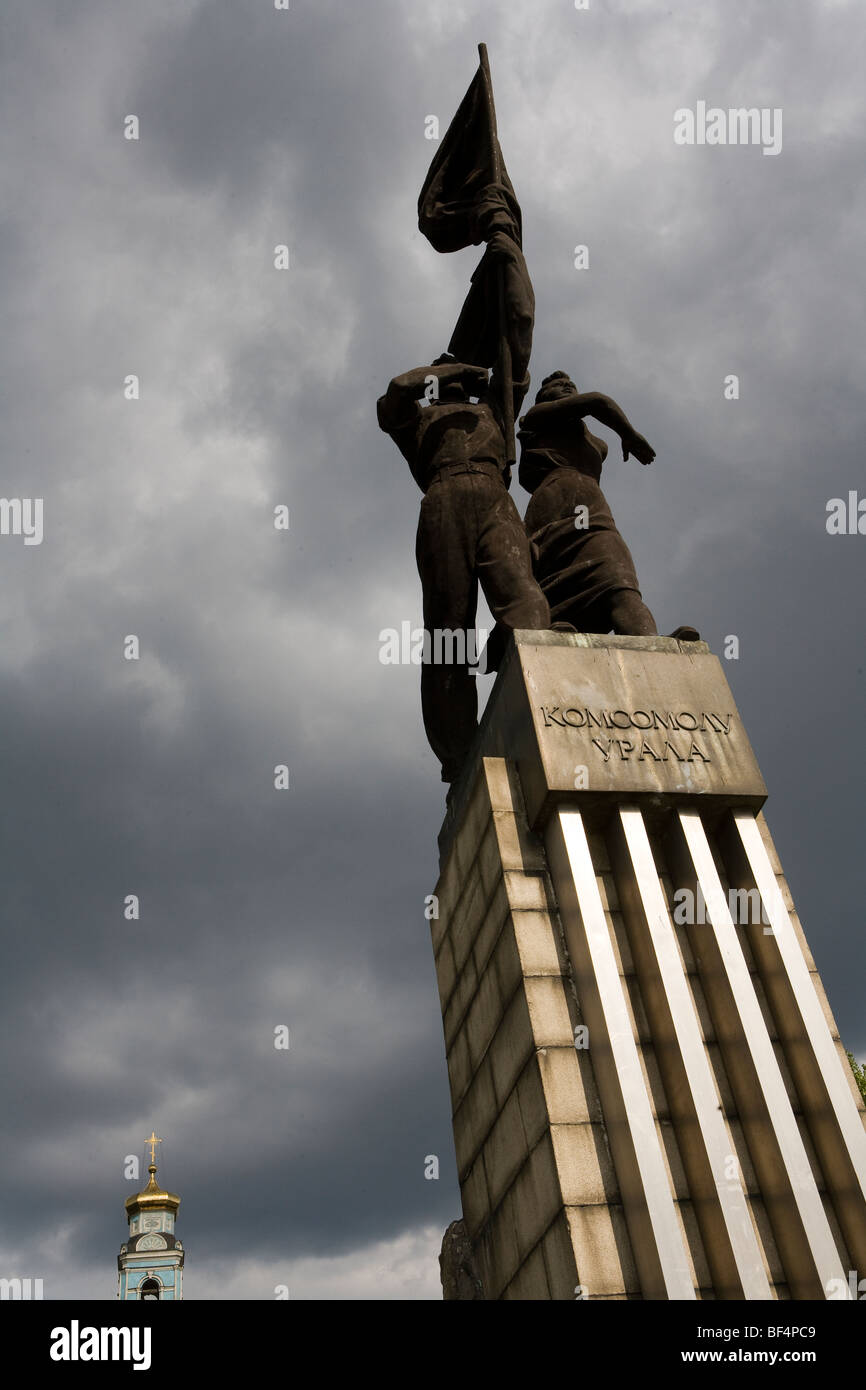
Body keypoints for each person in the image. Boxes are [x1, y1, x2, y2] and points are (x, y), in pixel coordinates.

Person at [377, 355, 550, 785]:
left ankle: (546, 704)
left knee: (526, 601)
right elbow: (398, 388)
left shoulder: (493, 408)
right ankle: (458, 754)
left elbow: (517, 341)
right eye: (439, 370)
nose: (446, 372)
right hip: (443, 498)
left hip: (495, 498)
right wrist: (455, 372)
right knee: (448, 634)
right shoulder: (415, 419)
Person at [518, 371, 698, 640]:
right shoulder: (538, 416)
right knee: (557, 568)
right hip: (557, 499)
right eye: (557, 385)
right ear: (544, 397)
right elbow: (597, 401)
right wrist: (629, 434)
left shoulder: (588, 435)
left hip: (592, 500)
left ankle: (648, 640)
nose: (567, 385)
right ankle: (560, 625)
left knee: (617, 574)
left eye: (571, 383)